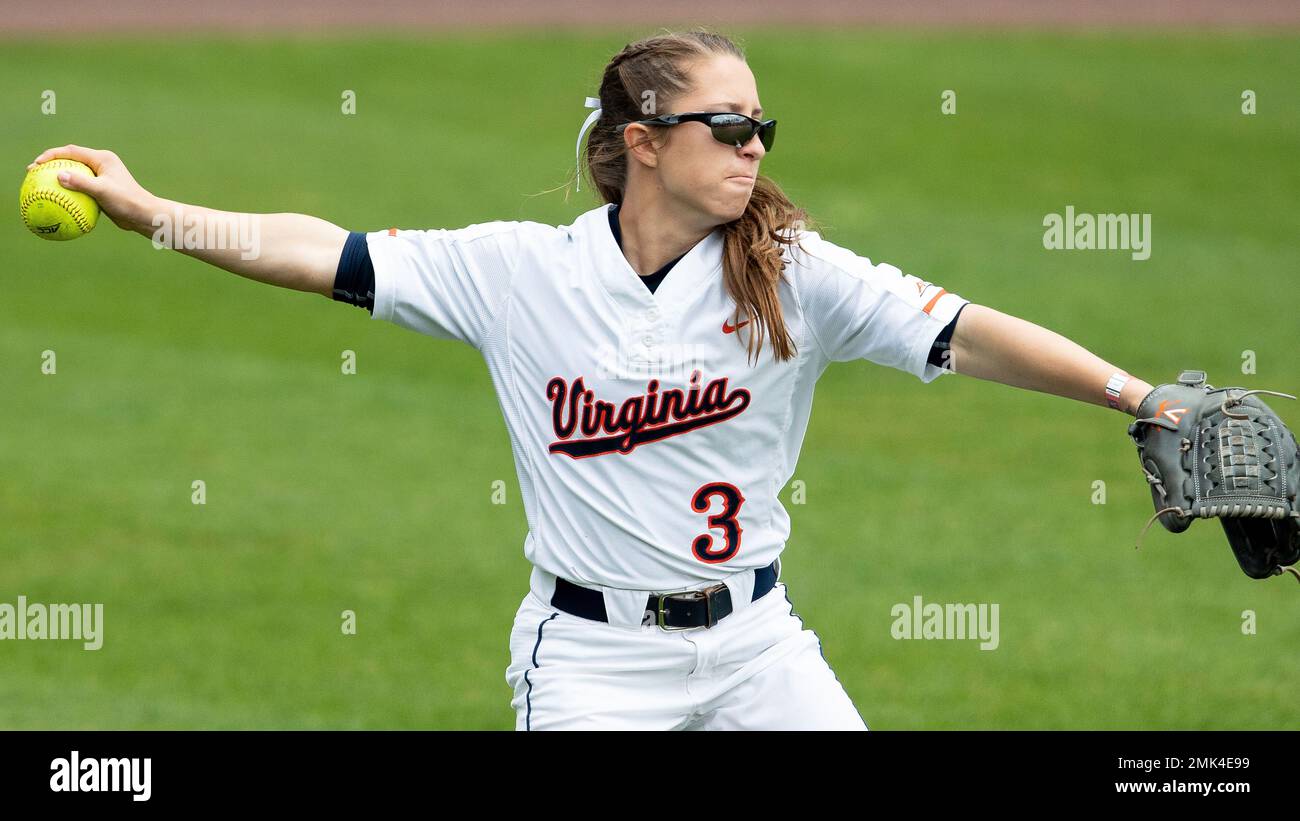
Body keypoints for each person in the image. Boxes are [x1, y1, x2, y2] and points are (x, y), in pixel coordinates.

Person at [28, 29, 1156, 731]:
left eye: (760, 123)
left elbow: (969, 332)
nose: (754, 144)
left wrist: (1139, 398)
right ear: (646, 139)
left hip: (760, 648)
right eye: (726, 124)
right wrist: (152, 211)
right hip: (592, 663)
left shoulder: (795, 273)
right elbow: (321, 249)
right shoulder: (520, 272)